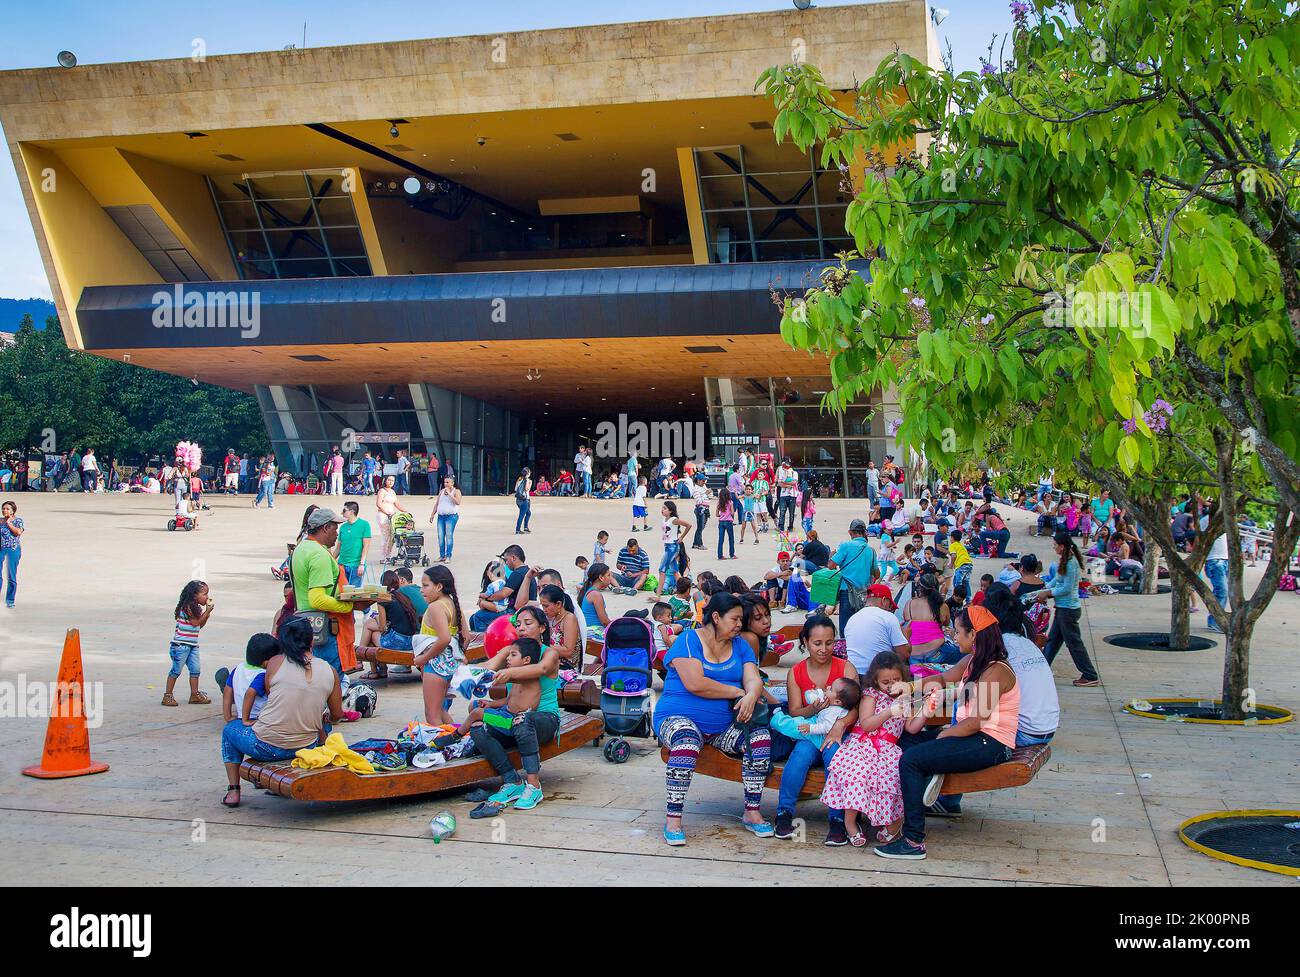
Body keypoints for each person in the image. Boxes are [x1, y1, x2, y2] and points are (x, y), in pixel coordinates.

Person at [877, 605, 1019, 860]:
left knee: (911, 760)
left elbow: (977, 721)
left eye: (958, 632)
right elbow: (942, 680)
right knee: (904, 739)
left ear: (973, 635)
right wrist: (907, 687)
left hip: (991, 743)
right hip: (971, 736)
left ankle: (912, 840)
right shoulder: (972, 661)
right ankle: (932, 772)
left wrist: (946, 735)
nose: (954, 636)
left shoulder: (996, 670)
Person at [653, 591, 773, 846]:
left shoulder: (740, 645)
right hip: (677, 716)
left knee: (760, 738)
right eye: (735, 619)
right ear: (716, 617)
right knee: (686, 741)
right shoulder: (688, 640)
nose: (740, 624)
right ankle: (673, 818)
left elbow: (753, 677)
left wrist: (752, 693)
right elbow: (697, 684)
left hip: (722, 728)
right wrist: (738, 691)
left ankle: (752, 810)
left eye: (742, 619)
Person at [220, 617, 343, 808]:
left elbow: (273, 698)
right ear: (312, 641)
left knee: (229, 730)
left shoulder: (275, 663)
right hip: (306, 746)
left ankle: (233, 790)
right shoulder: (330, 671)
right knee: (322, 723)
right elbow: (336, 715)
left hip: (265, 747)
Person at [820, 651, 929, 846]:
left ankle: (893, 824)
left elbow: (911, 728)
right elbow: (867, 724)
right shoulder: (871, 695)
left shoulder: (905, 699)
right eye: (886, 682)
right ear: (875, 681)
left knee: (894, 779)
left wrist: (926, 709)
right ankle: (850, 823)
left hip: (888, 749)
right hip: (862, 745)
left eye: (896, 680)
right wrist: (890, 711)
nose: (891, 685)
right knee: (857, 775)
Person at [770, 615, 860, 843]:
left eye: (829, 643)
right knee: (798, 757)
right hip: (810, 732)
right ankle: (784, 813)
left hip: (838, 733)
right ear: (805, 642)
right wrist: (811, 709)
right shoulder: (797, 672)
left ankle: (837, 820)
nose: (823, 649)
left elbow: (857, 707)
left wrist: (840, 725)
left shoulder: (845, 667)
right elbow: (794, 711)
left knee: (836, 760)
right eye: (817, 643)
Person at [468, 616, 563, 816]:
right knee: (477, 724)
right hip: (513, 716)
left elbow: (541, 669)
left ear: (542, 627)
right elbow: (489, 665)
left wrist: (509, 674)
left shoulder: (550, 654)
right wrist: (463, 673)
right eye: (518, 624)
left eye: (528, 624)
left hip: (543, 718)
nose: (521, 628)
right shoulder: (512, 651)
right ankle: (512, 780)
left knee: (523, 719)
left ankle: (534, 786)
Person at [290, 508, 379, 674]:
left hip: (306, 623)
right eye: (334, 528)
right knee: (330, 677)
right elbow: (317, 599)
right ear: (325, 528)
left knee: (312, 674)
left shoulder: (301, 549)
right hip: (327, 628)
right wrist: (348, 606)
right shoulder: (319, 555)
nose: (337, 533)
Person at [1037, 529, 1099, 686]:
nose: (1054, 547)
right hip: (1062, 609)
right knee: (1052, 641)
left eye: (1055, 545)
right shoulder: (1065, 561)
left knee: (1074, 643)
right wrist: (1042, 589)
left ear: (1062, 546)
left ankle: (1090, 675)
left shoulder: (1071, 564)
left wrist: (1048, 593)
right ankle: (1041, 670)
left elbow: (1067, 588)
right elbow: (1057, 581)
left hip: (1068, 610)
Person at [415, 564, 466, 725]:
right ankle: (455, 741)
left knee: (432, 716)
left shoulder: (435, 607)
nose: (421, 590)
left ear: (439, 586)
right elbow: (466, 636)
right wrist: (455, 655)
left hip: (435, 666)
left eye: (425, 585)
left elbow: (444, 638)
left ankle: (442, 748)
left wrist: (424, 658)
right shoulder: (451, 603)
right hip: (449, 665)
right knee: (440, 711)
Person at [163, 580, 215, 706]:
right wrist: (207, 611)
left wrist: (207, 614)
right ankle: (167, 695)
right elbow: (196, 623)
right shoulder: (188, 607)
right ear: (194, 595)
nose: (207, 597)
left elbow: (199, 626)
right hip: (180, 645)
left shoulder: (195, 608)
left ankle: (194, 694)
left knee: (195, 670)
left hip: (192, 645)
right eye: (204, 594)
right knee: (176, 670)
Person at [827, 518, 880, 634]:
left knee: (845, 628)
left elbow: (831, 566)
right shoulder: (870, 550)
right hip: (864, 594)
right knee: (861, 627)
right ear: (865, 532)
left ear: (850, 532)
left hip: (847, 591)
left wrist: (831, 554)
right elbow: (877, 574)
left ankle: (845, 651)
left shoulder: (846, 546)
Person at [844, 583, 910, 673]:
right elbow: (904, 654)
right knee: (912, 672)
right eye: (890, 606)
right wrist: (906, 635)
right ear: (883, 600)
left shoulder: (852, 619)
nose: (889, 609)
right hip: (878, 676)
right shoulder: (888, 616)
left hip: (853, 673)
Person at [469, 544, 535, 631]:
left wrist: (487, 597)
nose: (506, 564)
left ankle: (483, 642)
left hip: (515, 612)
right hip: (525, 610)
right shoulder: (527, 571)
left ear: (513, 558)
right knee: (473, 618)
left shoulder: (517, 574)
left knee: (478, 616)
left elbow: (503, 594)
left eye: (506, 560)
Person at [219, 632, 279, 725]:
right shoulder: (262, 675)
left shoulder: (238, 668)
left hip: (240, 713)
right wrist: (245, 719)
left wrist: (228, 716)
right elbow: (250, 692)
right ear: (266, 663)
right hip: (257, 716)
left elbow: (227, 690)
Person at [654, 501, 691, 596]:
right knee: (675, 572)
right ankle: (685, 590)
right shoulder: (665, 519)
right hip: (667, 547)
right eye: (662, 508)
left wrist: (682, 537)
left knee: (662, 570)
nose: (662, 510)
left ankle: (658, 595)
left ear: (670, 511)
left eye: (665, 508)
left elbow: (688, 525)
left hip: (672, 547)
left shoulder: (673, 520)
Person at [336, 501, 371, 587]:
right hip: (342, 565)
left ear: (352, 512)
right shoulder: (343, 527)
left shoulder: (364, 525)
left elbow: (366, 546)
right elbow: (338, 547)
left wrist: (362, 564)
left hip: (355, 565)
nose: (342, 513)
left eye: (344, 510)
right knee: (341, 591)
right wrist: (332, 560)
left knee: (353, 593)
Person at [374, 475, 408, 563]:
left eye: (392, 481)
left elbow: (396, 504)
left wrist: (406, 512)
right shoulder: (382, 491)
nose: (390, 482)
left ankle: (388, 555)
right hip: (383, 515)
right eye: (389, 480)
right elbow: (378, 504)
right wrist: (387, 512)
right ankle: (384, 557)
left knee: (393, 536)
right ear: (385, 480)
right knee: (386, 536)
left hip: (392, 517)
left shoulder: (393, 492)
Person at [431, 475, 462, 562]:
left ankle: (448, 555)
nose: (446, 484)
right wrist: (432, 514)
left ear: (452, 483)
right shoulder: (441, 491)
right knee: (440, 536)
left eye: (448, 482)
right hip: (441, 516)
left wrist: (449, 494)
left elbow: (458, 502)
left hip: (451, 516)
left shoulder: (456, 491)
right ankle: (442, 555)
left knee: (449, 535)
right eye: (445, 482)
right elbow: (437, 504)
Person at [1, 500, 24, 608]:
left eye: (7, 509)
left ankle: (10, 600)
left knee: (11, 576)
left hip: (13, 550)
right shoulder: (0, 521)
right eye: (3, 508)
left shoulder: (18, 521)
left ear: (13, 511)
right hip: (1, 549)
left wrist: (9, 523)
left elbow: (18, 532)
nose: (4, 510)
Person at [775, 458, 799, 532]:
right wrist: (787, 485)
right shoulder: (781, 473)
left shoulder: (794, 473)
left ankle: (790, 527)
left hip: (792, 495)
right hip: (783, 495)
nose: (786, 467)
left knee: (791, 513)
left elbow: (794, 482)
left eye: (787, 464)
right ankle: (781, 527)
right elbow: (779, 483)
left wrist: (784, 483)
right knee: (782, 511)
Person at [690, 475, 712, 550]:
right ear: (698, 480)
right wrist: (706, 493)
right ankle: (699, 544)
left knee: (701, 527)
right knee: (700, 528)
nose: (704, 482)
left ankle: (695, 543)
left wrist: (707, 493)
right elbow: (699, 501)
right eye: (703, 481)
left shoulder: (703, 487)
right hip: (700, 509)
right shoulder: (696, 489)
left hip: (705, 509)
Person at [715, 487, 737, 560]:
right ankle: (731, 554)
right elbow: (732, 512)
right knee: (731, 538)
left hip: (721, 522)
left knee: (721, 539)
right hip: (728, 522)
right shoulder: (730, 502)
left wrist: (722, 515)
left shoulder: (719, 503)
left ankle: (720, 555)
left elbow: (717, 514)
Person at [513, 467, 533, 534]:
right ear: (527, 473)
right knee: (522, 515)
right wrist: (530, 483)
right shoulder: (527, 480)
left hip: (518, 499)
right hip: (524, 499)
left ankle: (525, 528)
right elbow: (527, 489)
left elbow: (515, 489)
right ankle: (518, 530)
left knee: (528, 513)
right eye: (529, 472)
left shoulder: (519, 479)